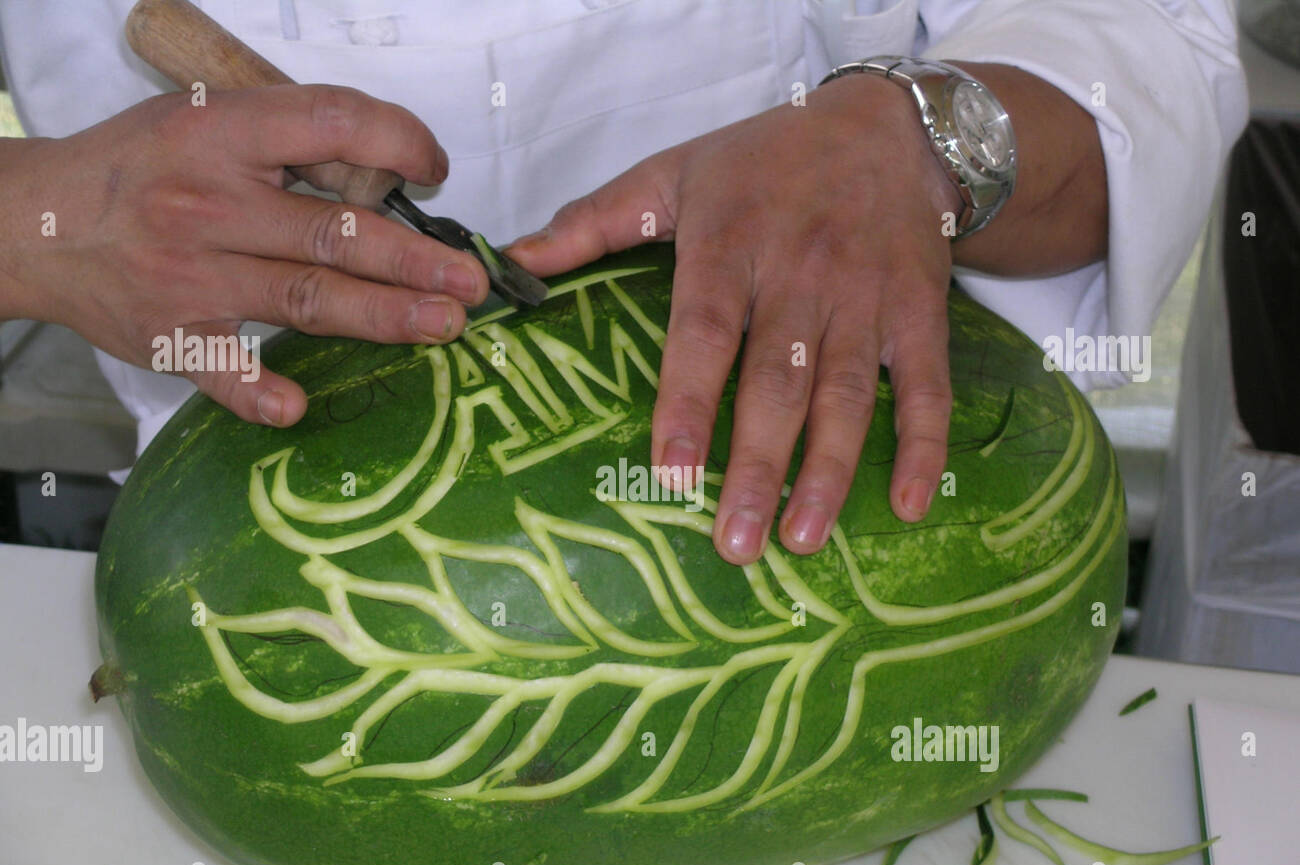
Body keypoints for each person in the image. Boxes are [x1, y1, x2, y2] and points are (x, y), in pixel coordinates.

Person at [0, 0, 1247, 565]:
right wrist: (35, 221)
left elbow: (1154, 48)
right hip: (252, 553)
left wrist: (925, 136)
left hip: (797, 535)